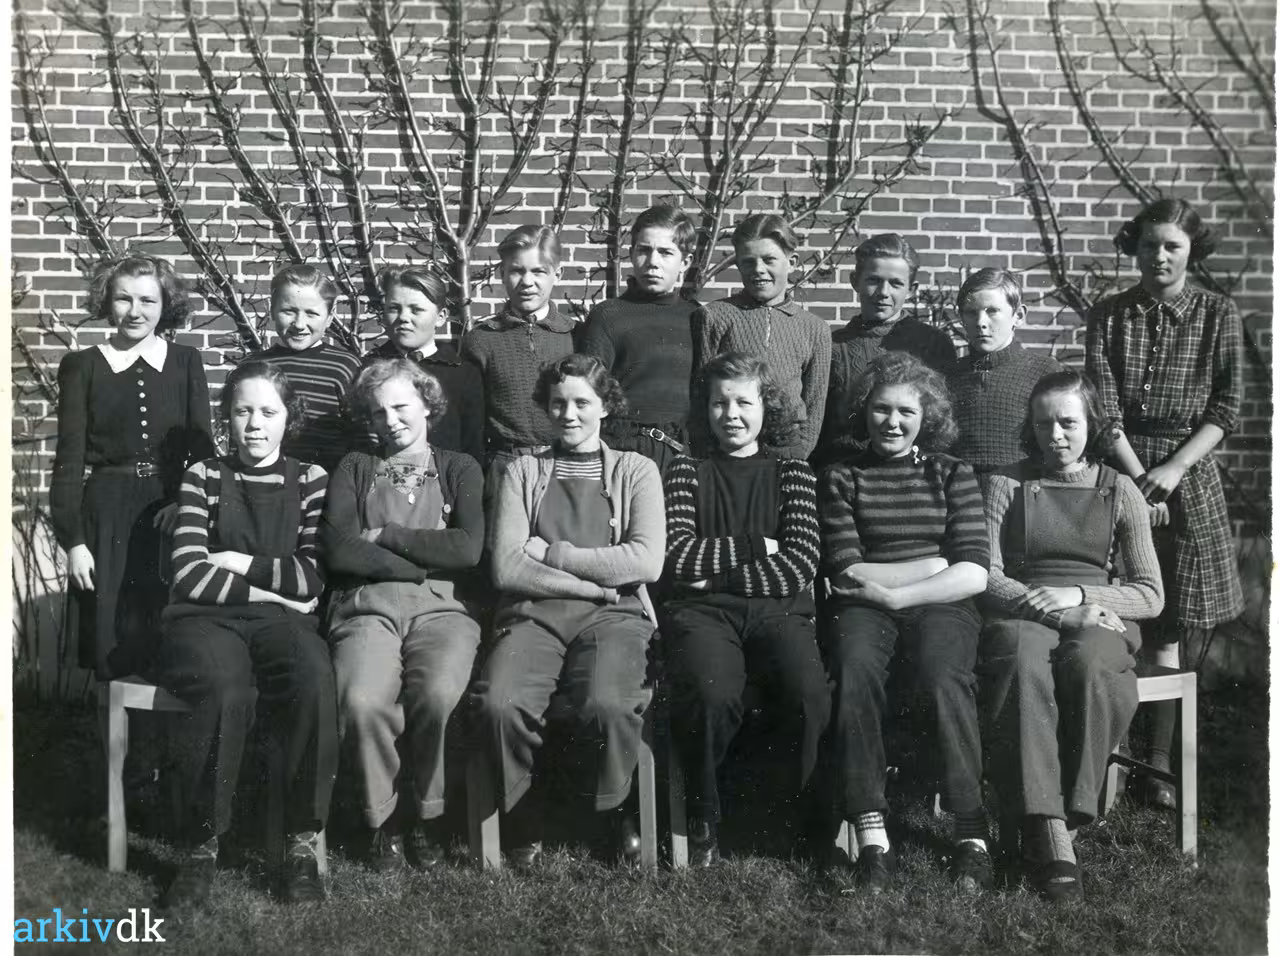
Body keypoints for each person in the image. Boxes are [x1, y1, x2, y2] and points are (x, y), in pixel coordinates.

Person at [152, 361, 336, 908]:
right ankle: (200, 849)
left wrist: (236, 560)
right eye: (242, 411)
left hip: (282, 627)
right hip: (202, 621)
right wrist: (274, 591)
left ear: (289, 419)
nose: (254, 424)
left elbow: (313, 574)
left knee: (314, 676)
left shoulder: (311, 480)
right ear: (227, 418)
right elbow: (188, 572)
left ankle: (301, 845)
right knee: (222, 686)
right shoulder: (203, 476)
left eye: (268, 412)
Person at [471, 354, 665, 866]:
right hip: (534, 612)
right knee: (500, 703)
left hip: (614, 616)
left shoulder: (636, 470)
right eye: (558, 403)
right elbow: (508, 570)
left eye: (582, 402)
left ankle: (612, 808)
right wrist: (594, 585)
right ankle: (523, 809)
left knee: (608, 702)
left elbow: (644, 559)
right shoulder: (523, 471)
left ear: (606, 406)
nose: (569, 414)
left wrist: (555, 554)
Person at [981, 369, 1164, 901]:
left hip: (1099, 615)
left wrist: (1083, 598)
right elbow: (987, 574)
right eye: (1043, 424)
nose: (1055, 435)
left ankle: (1056, 817)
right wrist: (1049, 610)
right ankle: (1054, 835)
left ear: (1092, 425)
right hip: (1025, 610)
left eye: (1068, 423)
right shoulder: (1006, 483)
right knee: (1019, 657)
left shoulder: (1121, 489)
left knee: (1089, 663)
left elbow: (1149, 593)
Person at [1085, 198, 1244, 808]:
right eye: (1149, 245)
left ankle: (1156, 764)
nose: (1159, 256)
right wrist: (1135, 481)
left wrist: (1172, 470)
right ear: (1136, 248)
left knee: (1168, 624)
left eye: (1172, 246)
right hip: (1121, 466)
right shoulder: (1109, 315)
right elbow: (1103, 408)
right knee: (1118, 609)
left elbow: (1226, 408)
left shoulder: (1216, 313)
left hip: (1188, 474)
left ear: (1189, 252)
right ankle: (1108, 753)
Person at [818, 352, 993, 894]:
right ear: (864, 413)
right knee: (854, 670)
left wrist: (900, 594)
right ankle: (872, 834)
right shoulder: (842, 476)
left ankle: (970, 832)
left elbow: (975, 573)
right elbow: (848, 568)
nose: (892, 422)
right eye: (881, 410)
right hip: (864, 603)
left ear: (927, 419)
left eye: (905, 413)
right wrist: (933, 564)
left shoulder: (952, 473)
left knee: (945, 675)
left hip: (938, 603)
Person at [661, 352, 830, 865]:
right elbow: (679, 556)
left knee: (808, 696)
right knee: (712, 696)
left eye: (742, 402)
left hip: (778, 610)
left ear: (765, 407)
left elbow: (800, 560)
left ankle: (794, 815)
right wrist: (759, 544)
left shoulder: (793, 473)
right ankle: (705, 812)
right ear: (704, 408)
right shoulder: (687, 471)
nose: (730, 414)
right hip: (702, 615)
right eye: (718, 402)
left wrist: (716, 575)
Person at [320, 358, 485, 871]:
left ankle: (427, 815)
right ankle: (383, 820)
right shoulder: (354, 467)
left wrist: (387, 536)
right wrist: (418, 564)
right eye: (378, 412)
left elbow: (467, 549)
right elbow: (340, 550)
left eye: (401, 406)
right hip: (367, 606)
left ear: (427, 406)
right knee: (363, 701)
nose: (390, 420)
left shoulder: (460, 467)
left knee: (436, 695)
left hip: (443, 611)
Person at [50, 253, 215, 680]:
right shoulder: (82, 365)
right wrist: (74, 541)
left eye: (148, 300)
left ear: (165, 306)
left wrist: (184, 503)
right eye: (124, 299)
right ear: (107, 301)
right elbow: (68, 460)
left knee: (165, 633)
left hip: (166, 513)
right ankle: (113, 745)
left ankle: (158, 744)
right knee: (109, 637)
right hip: (105, 514)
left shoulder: (184, 362)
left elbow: (201, 450)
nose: (135, 311)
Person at [690, 214, 831, 460]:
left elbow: (815, 405)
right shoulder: (714, 317)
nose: (758, 270)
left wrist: (798, 455)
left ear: (792, 262)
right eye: (748, 262)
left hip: (787, 448)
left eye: (769, 260)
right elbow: (700, 394)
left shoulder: (815, 329)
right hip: (727, 446)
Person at [575, 204, 700, 474]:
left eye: (666, 253)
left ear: (685, 262)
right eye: (644, 250)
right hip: (622, 451)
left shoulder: (697, 317)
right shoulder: (609, 315)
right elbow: (589, 392)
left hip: (683, 456)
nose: (653, 262)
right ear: (632, 254)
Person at [815, 233, 954, 469]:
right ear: (855, 281)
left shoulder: (934, 344)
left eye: (896, 283)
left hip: (916, 477)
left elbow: (943, 427)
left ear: (912, 289)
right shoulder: (832, 346)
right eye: (873, 280)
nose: (883, 292)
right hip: (846, 477)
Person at [461, 225, 576, 484]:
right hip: (503, 468)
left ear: (557, 273)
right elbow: (470, 421)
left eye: (538, 271)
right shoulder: (481, 339)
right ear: (502, 273)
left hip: (566, 467)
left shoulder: (575, 335)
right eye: (516, 270)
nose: (527, 282)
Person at [946, 268, 1063, 492]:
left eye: (992, 311)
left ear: (1018, 315)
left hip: (1021, 497)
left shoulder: (1044, 371)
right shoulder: (948, 375)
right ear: (961, 317)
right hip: (961, 498)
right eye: (971, 312)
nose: (981, 322)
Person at [364, 265, 485, 464]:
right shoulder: (369, 368)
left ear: (441, 317)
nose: (403, 318)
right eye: (394, 308)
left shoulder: (463, 373)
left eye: (416, 310)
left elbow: (473, 446)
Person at [258, 263, 363, 471]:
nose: (299, 324)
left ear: (330, 315)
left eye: (311, 314)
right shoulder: (255, 367)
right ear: (272, 310)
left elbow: (363, 437)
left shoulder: (345, 367)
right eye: (288, 311)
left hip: (328, 487)